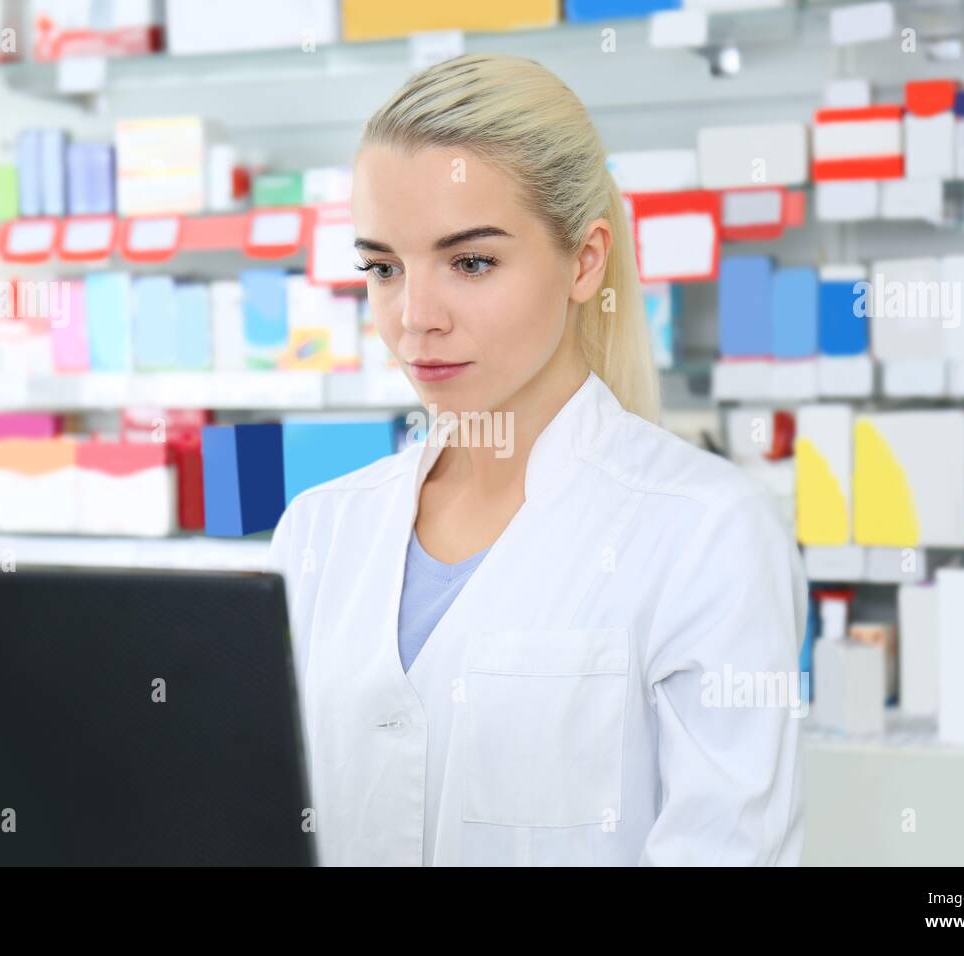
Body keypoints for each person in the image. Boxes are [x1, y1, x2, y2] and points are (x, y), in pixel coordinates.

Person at [267, 53, 807, 866]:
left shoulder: (706, 534)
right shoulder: (318, 531)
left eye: (471, 262)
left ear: (585, 261)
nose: (415, 318)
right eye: (382, 268)